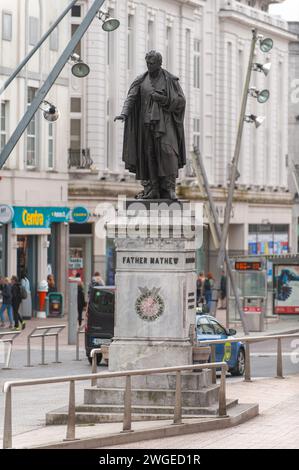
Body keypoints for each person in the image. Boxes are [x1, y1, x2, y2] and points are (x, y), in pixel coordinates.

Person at [115, 50, 186, 200]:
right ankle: (153, 188)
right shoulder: (141, 80)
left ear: (159, 63)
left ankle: (170, 188)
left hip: (166, 125)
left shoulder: (170, 80)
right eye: (147, 62)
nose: (149, 65)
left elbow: (181, 101)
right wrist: (124, 114)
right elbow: (131, 98)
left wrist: (163, 99)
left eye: (152, 63)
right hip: (146, 126)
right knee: (149, 156)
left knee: (169, 154)